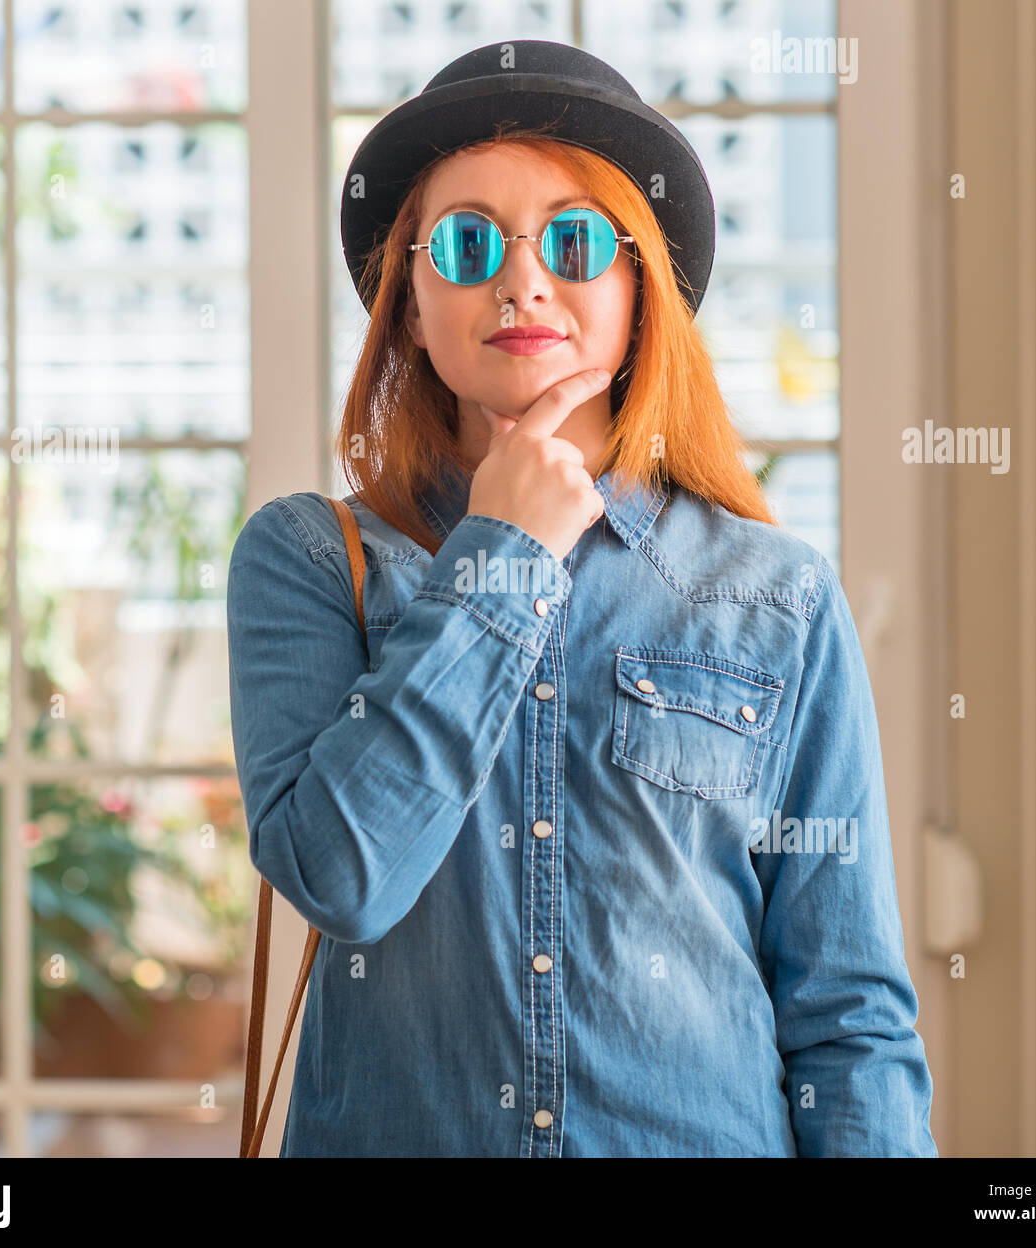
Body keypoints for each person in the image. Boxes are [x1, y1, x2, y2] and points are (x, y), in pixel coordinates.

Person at [227, 39, 938, 1158]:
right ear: (409, 305)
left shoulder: (779, 596)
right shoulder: (310, 562)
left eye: (572, 239)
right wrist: (503, 551)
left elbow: (846, 1019)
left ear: (637, 284)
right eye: (465, 243)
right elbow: (341, 873)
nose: (521, 281)